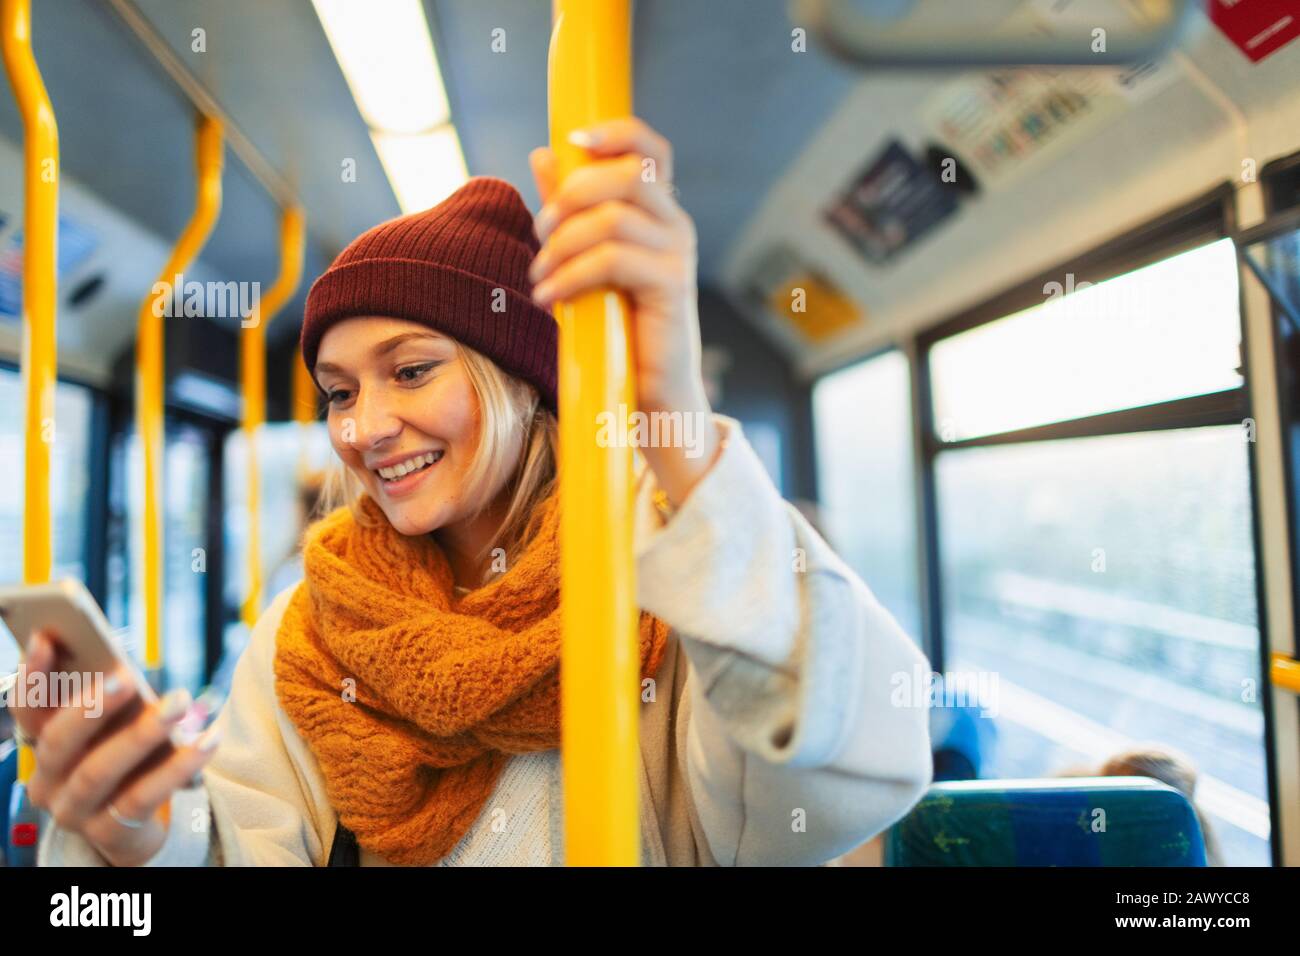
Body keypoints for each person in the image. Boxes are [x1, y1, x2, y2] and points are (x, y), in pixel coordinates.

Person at [17, 116, 933, 867]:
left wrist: (675, 414)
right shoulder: (308, 633)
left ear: (523, 381)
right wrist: (134, 834)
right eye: (339, 392)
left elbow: (840, 778)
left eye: (411, 371)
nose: (363, 426)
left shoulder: (671, 604)